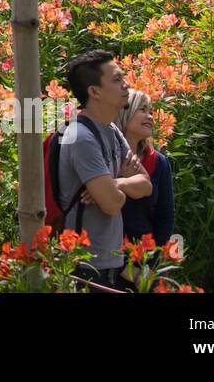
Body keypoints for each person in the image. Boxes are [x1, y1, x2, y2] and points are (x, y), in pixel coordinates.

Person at [57, 49, 152, 291]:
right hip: (84, 266)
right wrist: (121, 185)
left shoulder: (110, 129)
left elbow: (146, 185)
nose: (126, 85)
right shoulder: (82, 137)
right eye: (117, 80)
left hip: (110, 261)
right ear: (94, 91)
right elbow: (112, 204)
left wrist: (116, 183)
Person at [114, 88, 175, 245]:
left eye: (151, 112)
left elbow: (165, 216)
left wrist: (151, 261)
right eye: (142, 109)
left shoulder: (158, 162)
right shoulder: (103, 154)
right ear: (123, 112)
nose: (150, 117)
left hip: (142, 259)